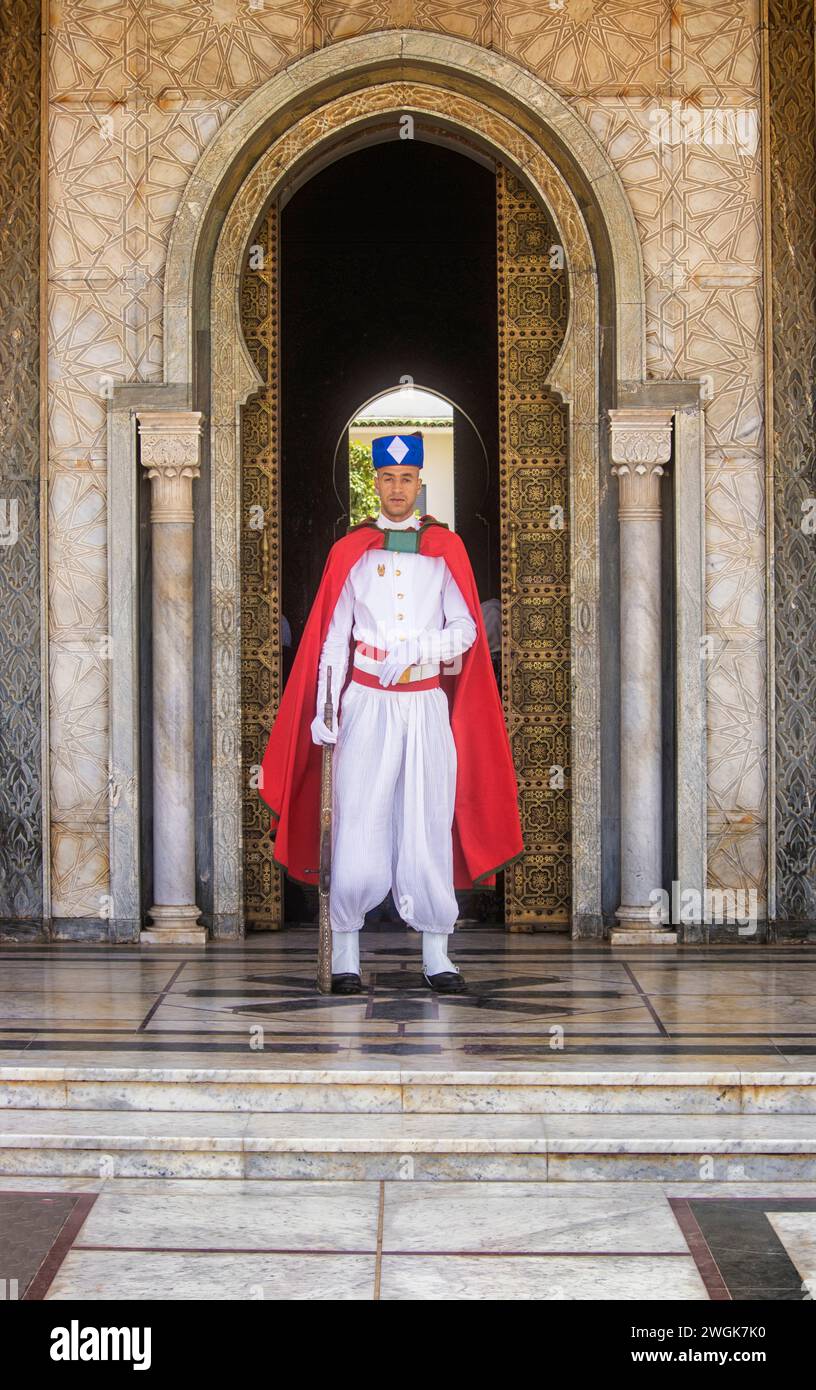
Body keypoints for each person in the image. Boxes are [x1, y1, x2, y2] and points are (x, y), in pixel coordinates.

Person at [258, 431, 523, 994]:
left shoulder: (444, 549)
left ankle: (437, 956)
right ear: (374, 483)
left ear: (419, 483)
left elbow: (466, 629)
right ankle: (346, 955)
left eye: (406, 479)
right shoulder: (350, 552)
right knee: (357, 820)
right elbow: (332, 640)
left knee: (427, 821)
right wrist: (324, 708)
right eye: (387, 479)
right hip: (366, 704)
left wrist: (422, 649)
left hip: (424, 704)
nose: (397, 488)